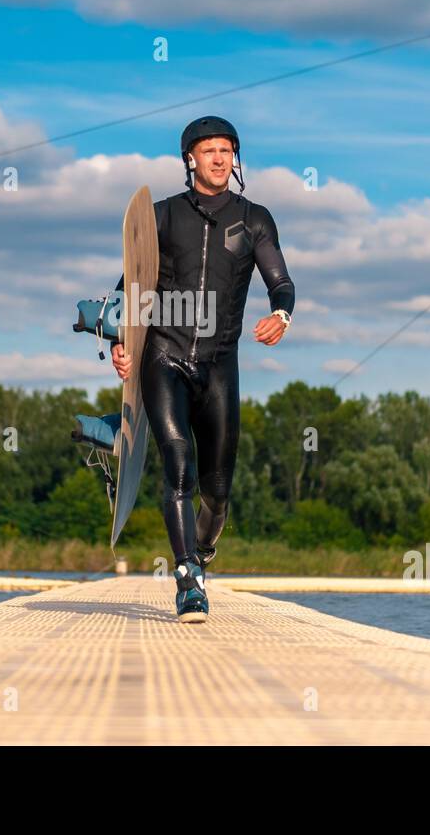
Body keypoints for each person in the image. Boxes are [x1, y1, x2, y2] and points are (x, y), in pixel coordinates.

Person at [111, 116, 295, 622]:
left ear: (235, 159)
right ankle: (188, 576)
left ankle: (203, 546)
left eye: (227, 151)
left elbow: (281, 281)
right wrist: (120, 345)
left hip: (219, 366)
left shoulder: (255, 219)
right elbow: (130, 286)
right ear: (189, 158)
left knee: (217, 490)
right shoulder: (162, 216)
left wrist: (282, 312)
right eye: (209, 150)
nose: (219, 158)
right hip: (163, 354)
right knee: (177, 460)